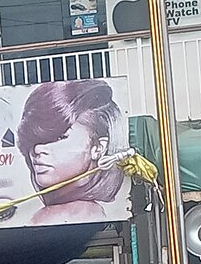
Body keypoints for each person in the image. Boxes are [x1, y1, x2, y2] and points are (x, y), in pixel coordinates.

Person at [16, 80, 125, 224]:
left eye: (58, 137)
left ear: (98, 147)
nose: (37, 149)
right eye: (34, 138)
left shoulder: (55, 218)